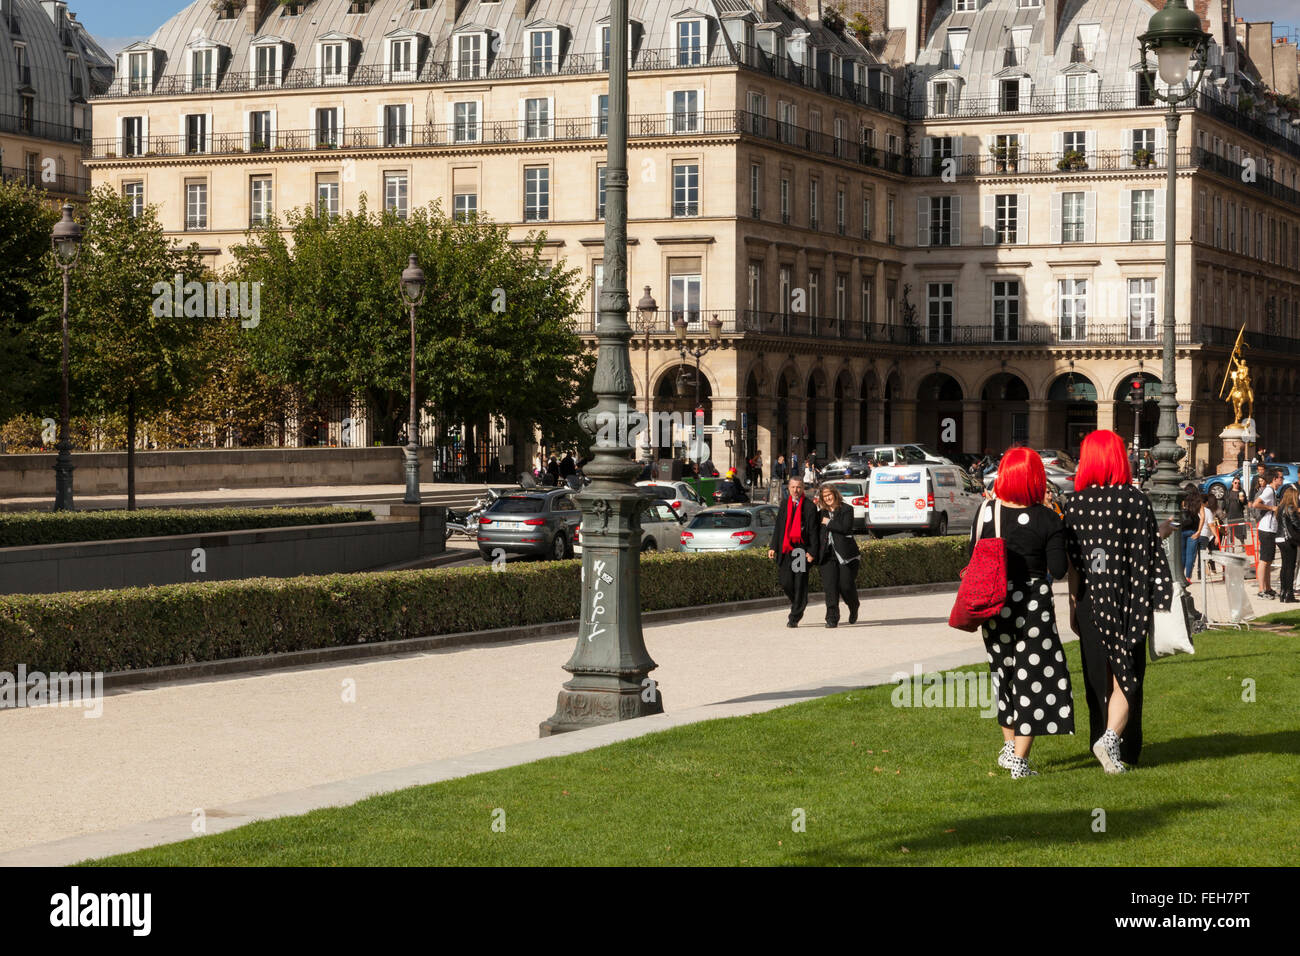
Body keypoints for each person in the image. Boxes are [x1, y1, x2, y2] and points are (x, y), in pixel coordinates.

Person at [1063, 429, 1173, 773]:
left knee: (1097, 678)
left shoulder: (1076, 504)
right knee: (1128, 674)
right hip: (1128, 599)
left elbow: (1074, 563)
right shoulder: (1135, 500)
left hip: (1090, 599)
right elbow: (1145, 554)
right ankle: (1122, 745)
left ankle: (1101, 736)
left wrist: (1072, 605)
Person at [970, 447, 1072, 780]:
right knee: (1035, 677)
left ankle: (1008, 745)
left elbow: (975, 556)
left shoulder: (986, 511)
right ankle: (1019, 760)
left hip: (994, 602)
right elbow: (1057, 569)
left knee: (1004, 674)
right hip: (1032, 605)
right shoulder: (1047, 518)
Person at [768, 476, 817, 628]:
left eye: (799, 487)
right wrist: (773, 546)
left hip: (800, 550)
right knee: (786, 582)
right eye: (793, 487)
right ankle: (800, 601)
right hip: (785, 549)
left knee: (799, 583)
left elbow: (813, 532)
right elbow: (779, 527)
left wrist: (812, 552)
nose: (796, 490)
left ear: (803, 489)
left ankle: (794, 616)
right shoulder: (784, 504)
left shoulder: (809, 507)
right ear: (788, 488)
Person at [816, 483, 861, 628]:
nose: (828, 498)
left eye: (829, 494)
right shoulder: (821, 513)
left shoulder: (847, 509)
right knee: (830, 588)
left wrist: (828, 522)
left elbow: (845, 528)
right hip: (827, 555)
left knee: (846, 586)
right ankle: (832, 618)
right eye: (825, 496)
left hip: (846, 555)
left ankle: (853, 605)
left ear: (835, 494)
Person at [1252, 468, 1285, 599]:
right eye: (1281, 477)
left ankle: (1268, 587)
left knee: (1269, 560)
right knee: (1264, 560)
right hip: (1266, 529)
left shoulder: (1272, 491)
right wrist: (1271, 508)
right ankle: (1261, 590)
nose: (1282, 479)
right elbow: (1255, 504)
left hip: (1271, 529)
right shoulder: (1268, 490)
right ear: (1274, 479)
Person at [1277, 486, 1300, 603]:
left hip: (1280, 538)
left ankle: (1283, 592)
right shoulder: (1290, 508)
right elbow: (1296, 524)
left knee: (1284, 566)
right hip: (1289, 540)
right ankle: (1289, 594)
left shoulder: (1280, 508)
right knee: (1290, 567)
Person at [1180, 484, 1206, 581]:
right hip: (1193, 531)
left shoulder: (1182, 502)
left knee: (1182, 555)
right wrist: (1199, 531)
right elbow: (1203, 517)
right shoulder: (1198, 502)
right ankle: (1188, 577)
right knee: (1190, 555)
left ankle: (1180, 575)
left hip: (1182, 530)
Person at [1224, 475, 1248, 546]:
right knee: (1231, 531)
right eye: (1235, 483)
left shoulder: (1241, 491)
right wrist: (1223, 510)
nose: (1237, 484)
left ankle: (1242, 544)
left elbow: (1245, 503)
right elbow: (1224, 502)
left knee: (1240, 531)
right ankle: (1232, 545)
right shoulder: (1228, 492)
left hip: (1239, 514)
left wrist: (1242, 501)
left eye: (1238, 483)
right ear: (1232, 483)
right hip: (1230, 514)